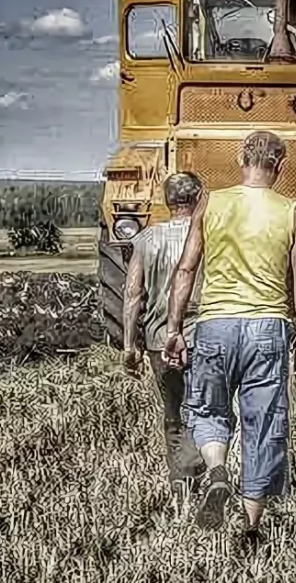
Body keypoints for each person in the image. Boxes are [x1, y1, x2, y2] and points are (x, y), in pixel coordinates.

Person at [164, 131, 296, 533]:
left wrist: (175, 327)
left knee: (209, 410)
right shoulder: (292, 211)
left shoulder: (210, 202)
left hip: (215, 324)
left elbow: (186, 269)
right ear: (279, 166)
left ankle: (216, 471)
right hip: (268, 328)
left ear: (239, 158)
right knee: (263, 425)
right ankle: (250, 527)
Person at [122, 172, 206, 500]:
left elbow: (132, 294)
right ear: (199, 197)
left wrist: (130, 345)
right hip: (204, 336)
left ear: (166, 200)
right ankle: (204, 476)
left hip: (160, 341)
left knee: (174, 413)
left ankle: (181, 486)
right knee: (205, 409)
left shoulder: (145, 240)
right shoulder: (209, 234)